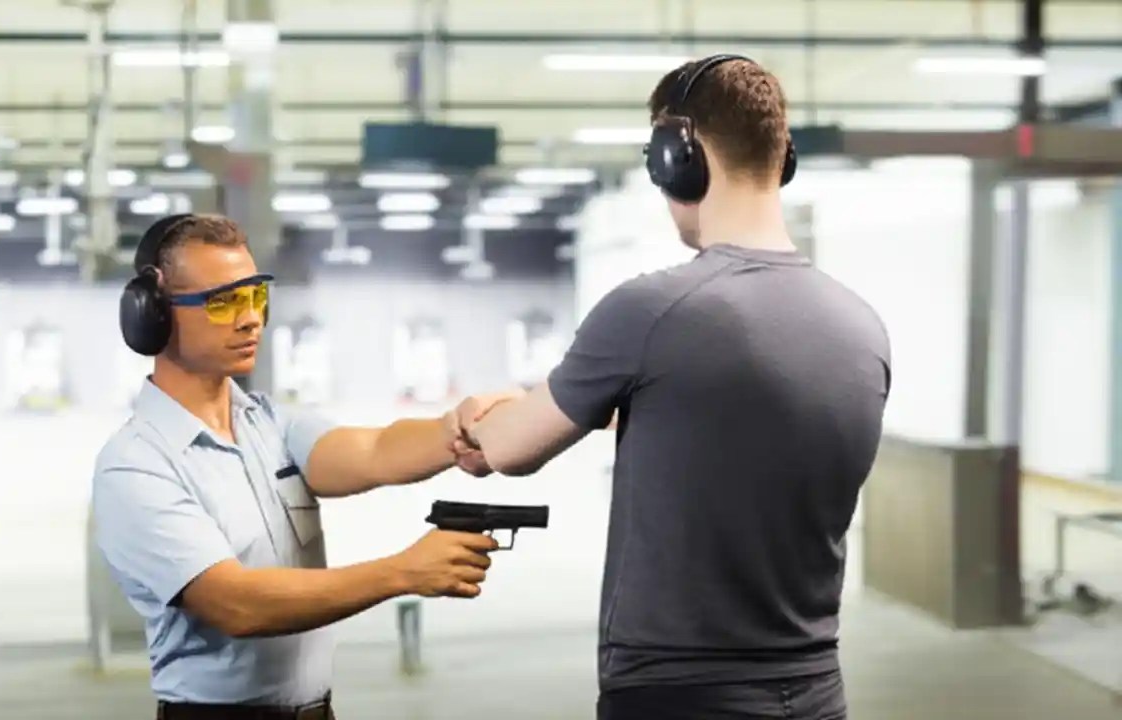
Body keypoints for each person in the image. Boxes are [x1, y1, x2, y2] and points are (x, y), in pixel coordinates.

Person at [456, 54, 892, 720]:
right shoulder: (862, 326)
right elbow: (738, 421)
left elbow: (509, 452)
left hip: (678, 693)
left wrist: (482, 417)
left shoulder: (653, 310)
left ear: (676, 157)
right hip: (814, 690)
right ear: (783, 157)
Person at [92, 213, 504, 720]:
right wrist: (402, 573)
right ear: (152, 313)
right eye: (223, 302)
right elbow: (236, 604)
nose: (250, 319)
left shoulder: (269, 424)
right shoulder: (136, 464)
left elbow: (373, 451)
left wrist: (455, 432)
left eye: (254, 296)